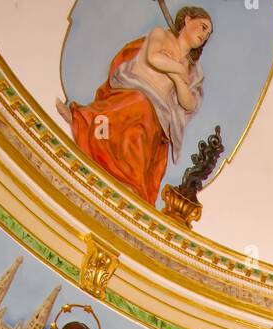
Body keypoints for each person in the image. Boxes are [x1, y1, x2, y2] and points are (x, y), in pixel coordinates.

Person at [57, 7, 213, 206]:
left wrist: (178, 78)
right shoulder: (161, 35)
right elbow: (153, 58)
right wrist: (176, 70)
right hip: (135, 89)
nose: (204, 34)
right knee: (138, 104)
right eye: (202, 27)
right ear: (187, 19)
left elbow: (189, 103)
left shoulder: (194, 70)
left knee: (143, 123)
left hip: (159, 112)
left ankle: (130, 182)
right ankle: (81, 120)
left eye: (207, 33)